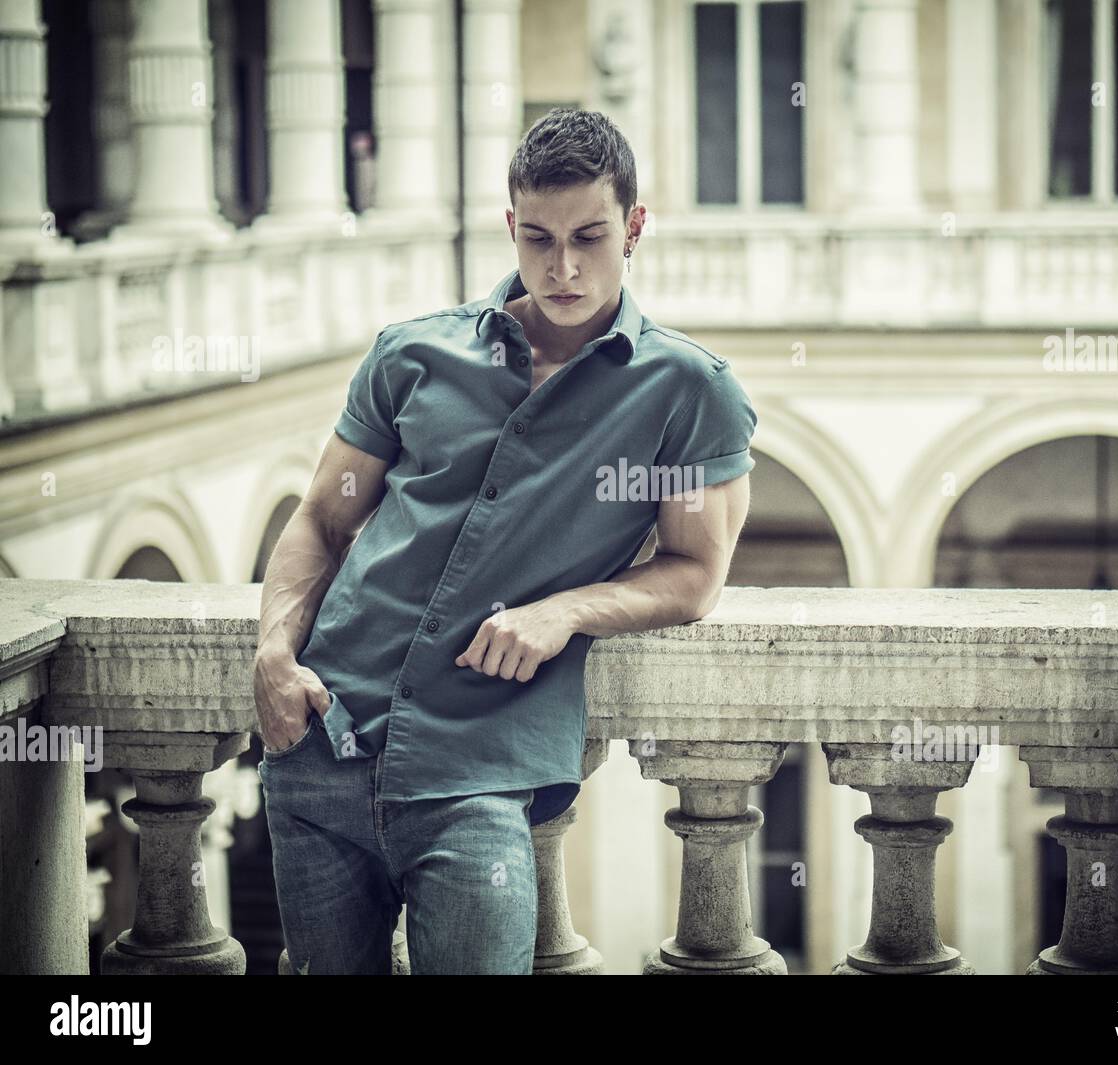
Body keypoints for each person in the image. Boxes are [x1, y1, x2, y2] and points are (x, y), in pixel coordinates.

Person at [253, 107, 758, 974]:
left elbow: (697, 573)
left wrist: (565, 611)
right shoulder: (411, 353)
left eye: (590, 237)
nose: (562, 267)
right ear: (510, 228)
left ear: (634, 227)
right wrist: (272, 649)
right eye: (538, 239)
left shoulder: (687, 390)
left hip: (476, 775)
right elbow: (322, 519)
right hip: (322, 751)